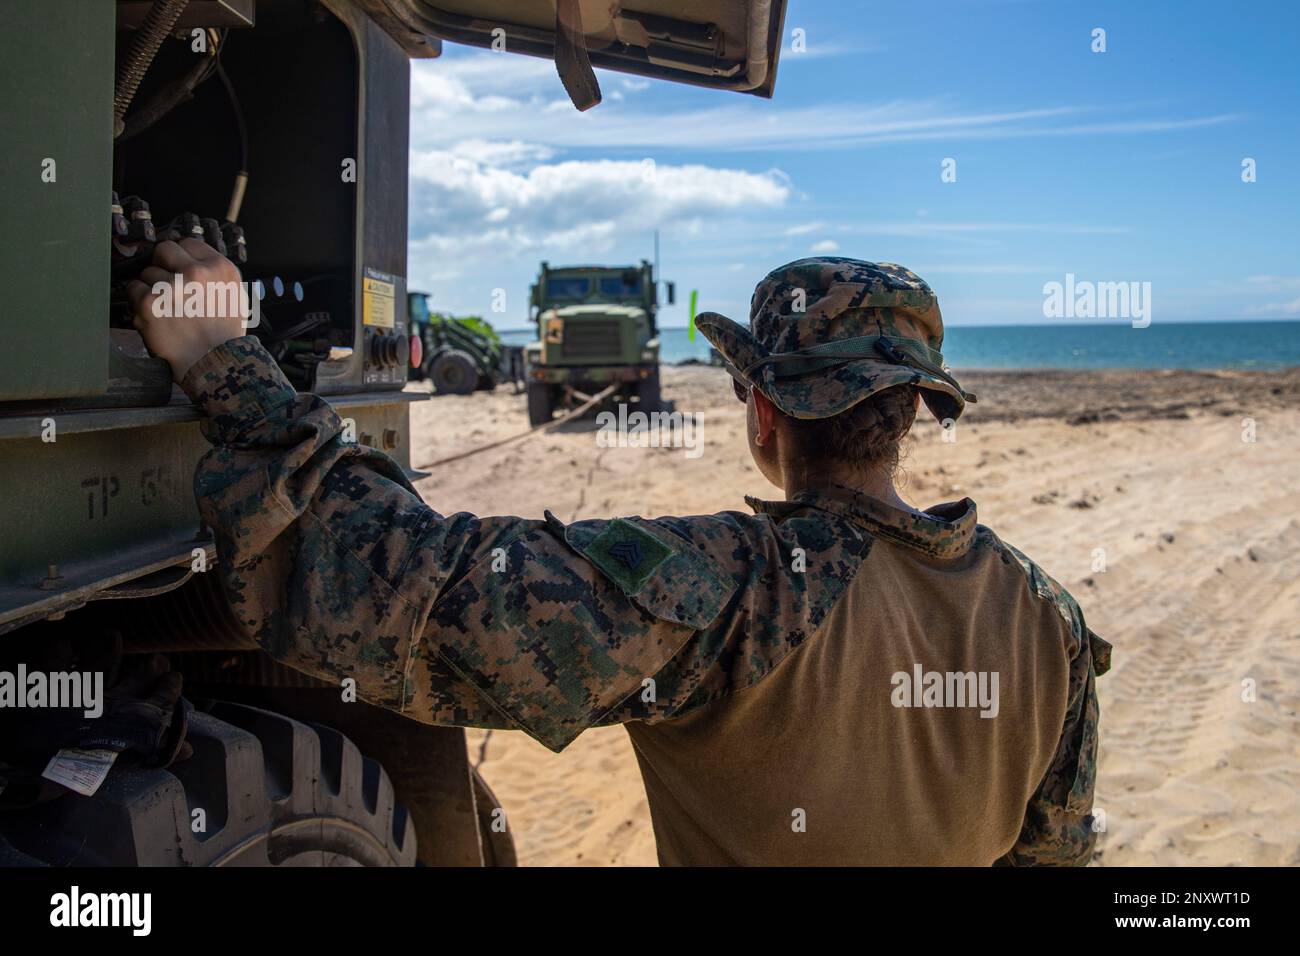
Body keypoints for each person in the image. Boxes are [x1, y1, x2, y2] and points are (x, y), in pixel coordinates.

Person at [129, 244, 1110, 866]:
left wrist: (226, 360)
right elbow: (1055, 849)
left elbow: (391, 597)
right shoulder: (1046, 615)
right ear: (912, 411)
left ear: (763, 413)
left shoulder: (738, 588)